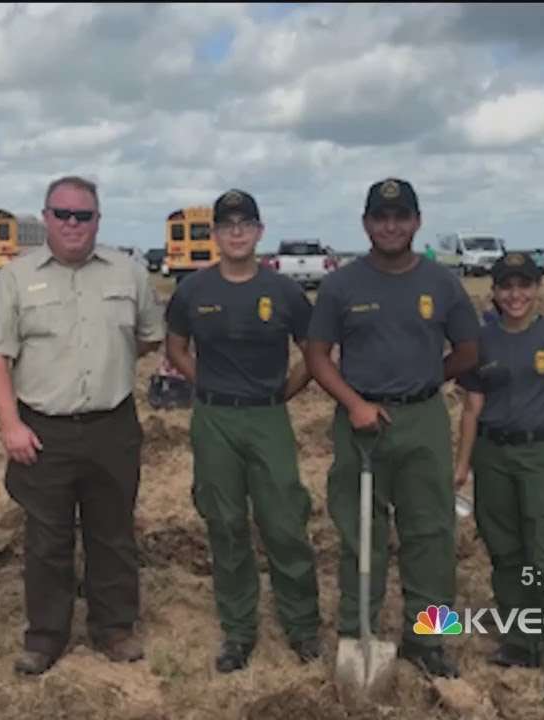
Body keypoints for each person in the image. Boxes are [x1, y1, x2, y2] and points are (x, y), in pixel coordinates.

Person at [0, 175, 164, 676]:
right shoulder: (15, 278)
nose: (73, 224)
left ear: (98, 220)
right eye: (62, 214)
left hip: (112, 425)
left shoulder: (129, 273)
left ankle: (114, 629)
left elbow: (148, 337)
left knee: (113, 533)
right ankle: (45, 637)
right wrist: (10, 425)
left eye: (84, 215)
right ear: (46, 219)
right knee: (46, 539)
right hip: (43, 430)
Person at [304, 177, 480, 678]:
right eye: (380, 217)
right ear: (365, 225)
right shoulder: (342, 284)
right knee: (361, 532)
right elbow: (318, 356)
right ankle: (356, 632)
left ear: (417, 222)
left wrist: (424, 382)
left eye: (401, 216)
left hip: (423, 419)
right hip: (359, 422)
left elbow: (468, 351)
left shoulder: (441, 282)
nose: (391, 226)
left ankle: (429, 640)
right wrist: (357, 403)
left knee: (433, 533)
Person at [164, 189, 324, 673]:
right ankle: (237, 630)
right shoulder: (193, 290)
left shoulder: (284, 292)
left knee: (283, 521)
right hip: (215, 418)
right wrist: (207, 386)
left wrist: (281, 395)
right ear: (213, 234)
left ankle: (302, 626)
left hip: (267, 416)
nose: (236, 233)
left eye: (245, 224)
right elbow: (175, 348)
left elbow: (313, 353)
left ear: (259, 231)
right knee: (226, 523)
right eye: (226, 225)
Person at [453, 251, 544, 703]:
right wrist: (462, 464)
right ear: (493, 291)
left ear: (538, 289)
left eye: (524, 285)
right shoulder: (481, 341)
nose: (515, 295)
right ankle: (521, 641)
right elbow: (471, 408)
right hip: (493, 456)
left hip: (541, 454)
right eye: (506, 286)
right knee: (506, 553)